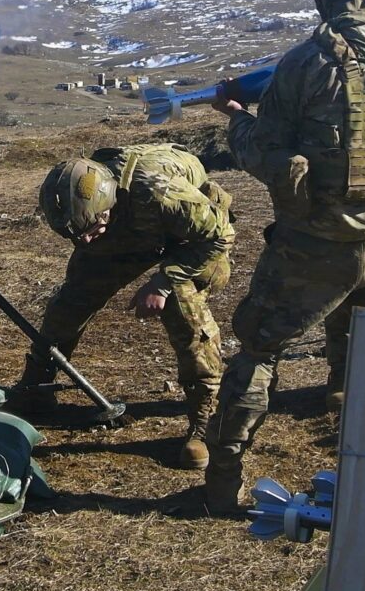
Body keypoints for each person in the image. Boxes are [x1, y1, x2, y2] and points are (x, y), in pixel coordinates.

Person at [204, 0, 365, 514]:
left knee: (258, 352)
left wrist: (235, 119)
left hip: (315, 245)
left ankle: (222, 482)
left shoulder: (309, 60)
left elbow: (265, 153)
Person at [14, 144, 236, 470]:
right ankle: (36, 386)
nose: (84, 241)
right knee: (72, 301)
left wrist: (163, 282)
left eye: (90, 229)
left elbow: (220, 234)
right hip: (130, 233)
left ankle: (206, 419)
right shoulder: (86, 203)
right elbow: (86, 245)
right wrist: (89, 233)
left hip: (193, 241)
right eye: (75, 235)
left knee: (182, 307)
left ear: (108, 206)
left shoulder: (160, 193)